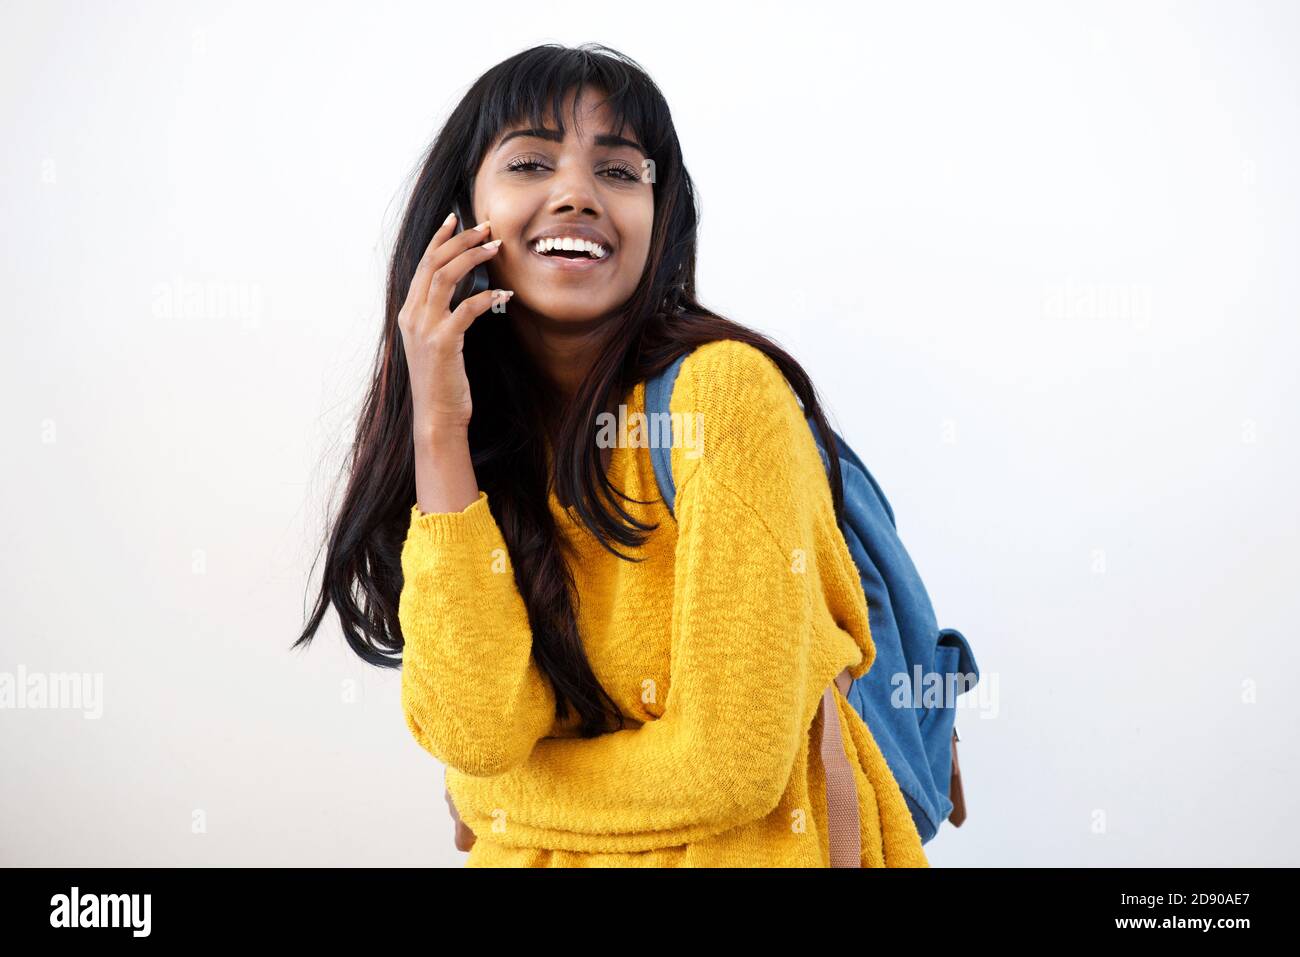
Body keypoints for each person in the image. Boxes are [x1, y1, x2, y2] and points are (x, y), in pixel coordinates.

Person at [296, 42, 928, 868]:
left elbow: (727, 766)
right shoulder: (479, 444)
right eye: (530, 162)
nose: (577, 194)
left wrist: (497, 801)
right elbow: (477, 733)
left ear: (659, 221)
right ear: (459, 213)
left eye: (620, 171)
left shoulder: (725, 396)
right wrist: (439, 430)